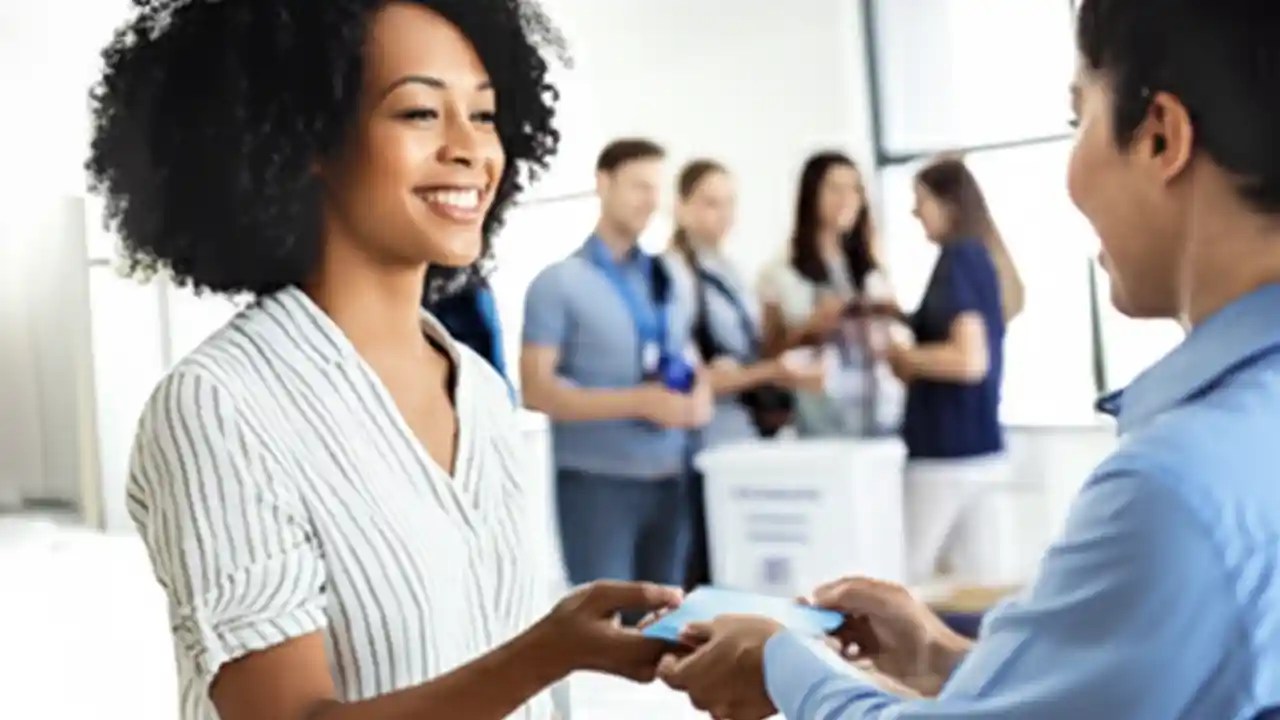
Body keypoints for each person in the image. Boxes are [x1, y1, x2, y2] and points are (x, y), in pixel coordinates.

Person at [656, 0, 1280, 717]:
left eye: (1078, 120)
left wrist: (777, 664)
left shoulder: (1177, 488)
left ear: (1161, 137)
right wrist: (947, 660)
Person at [87, 3, 683, 719]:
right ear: (308, 136)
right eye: (420, 114)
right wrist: (547, 651)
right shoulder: (219, 406)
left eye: (486, 115)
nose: (471, 149)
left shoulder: (481, 394)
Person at [521, 139, 713, 595]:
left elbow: (689, 354)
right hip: (597, 485)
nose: (650, 201)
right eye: (638, 186)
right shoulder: (558, 284)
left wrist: (699, 398)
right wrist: (640, 402)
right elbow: (536, 389)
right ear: (602, 184)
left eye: (656, 189)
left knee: (663, 625)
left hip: (671, 479)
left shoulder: (670, 278)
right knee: (604, 632)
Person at [662, 159, 825, 587]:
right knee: (707, 573)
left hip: (743, 439)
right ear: (680, 207)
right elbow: (687, 377)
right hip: (701, 446)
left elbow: (746, 355)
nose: (724, 215)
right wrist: (770, 370)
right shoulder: (672, 276)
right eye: (711, 203)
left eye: (730, 203)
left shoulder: (729, 269)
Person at [883, 158, 1013, 584]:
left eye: (920, 200)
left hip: (945, 454)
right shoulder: (977, 258)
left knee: (907, 576)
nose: (915, 212)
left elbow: (968, 361)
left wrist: (904, 357)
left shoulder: (957, 260)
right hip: (979, 447)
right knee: (978, 582)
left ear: (948, 203)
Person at [758, 152, 901, 437]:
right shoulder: (779, 272)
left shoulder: (871, 270)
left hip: (883, 417)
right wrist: (810, 330)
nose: (846, 198)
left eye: (854, 189)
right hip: (818, 424)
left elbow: (896, 343)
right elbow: (769, 356)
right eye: (834, 188)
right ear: (811, 195)